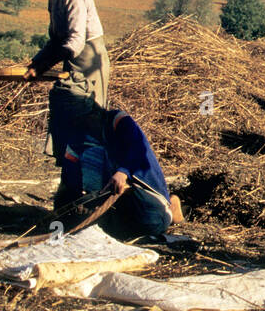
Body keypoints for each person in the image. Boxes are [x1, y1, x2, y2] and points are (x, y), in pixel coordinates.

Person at [17, 0, 109, 165]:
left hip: (89, 64)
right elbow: (55, 41)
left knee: (86, 117)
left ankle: (88, 178)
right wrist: (35, 65)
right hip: (72, 62)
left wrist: (44, 65)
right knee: (63, 107)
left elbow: (75, 43)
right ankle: (69, 170)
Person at [54, 95, 182, 239]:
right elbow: (69, 179)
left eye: (83, 120)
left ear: (95, 114)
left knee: (151, 226)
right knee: (103, 230)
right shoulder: (77, 138)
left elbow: (138, 151)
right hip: (105, 198)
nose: (80, 126)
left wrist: (123, 172)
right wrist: (66, 208)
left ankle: (170, 211)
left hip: (138, 191)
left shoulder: (119, 122)